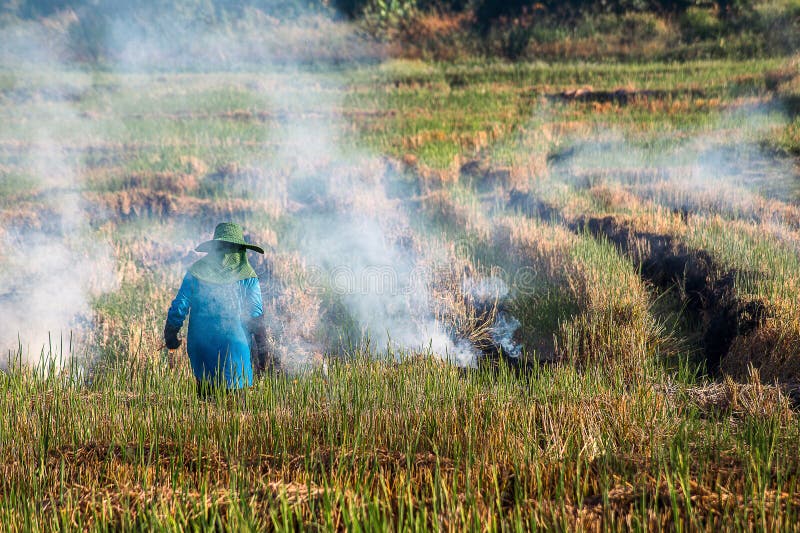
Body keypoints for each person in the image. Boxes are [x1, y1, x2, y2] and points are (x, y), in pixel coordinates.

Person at [164, 222, 276, 397]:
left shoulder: (196, 271)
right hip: (236, 348)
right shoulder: (248, 276)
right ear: (241, 249)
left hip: (202, 346)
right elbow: (256, 317)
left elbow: (179, 306)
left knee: (206, 401)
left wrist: (170, 335)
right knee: (237, 411)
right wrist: (263, 353)